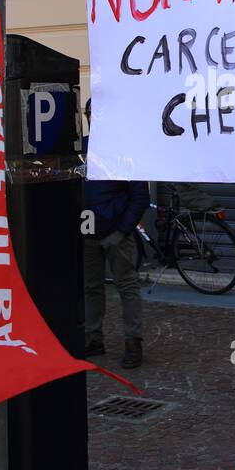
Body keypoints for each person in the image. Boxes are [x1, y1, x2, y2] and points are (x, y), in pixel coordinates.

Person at [82, 101, 149, 369]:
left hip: (116, 234)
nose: (92, 119)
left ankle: (133, 343)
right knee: (90, 287)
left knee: (127, 286)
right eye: (89, 115)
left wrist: (122, 230)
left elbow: (140, 196)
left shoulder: (124, 150)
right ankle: (93, 338)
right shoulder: (82, 148)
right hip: (87, 231)